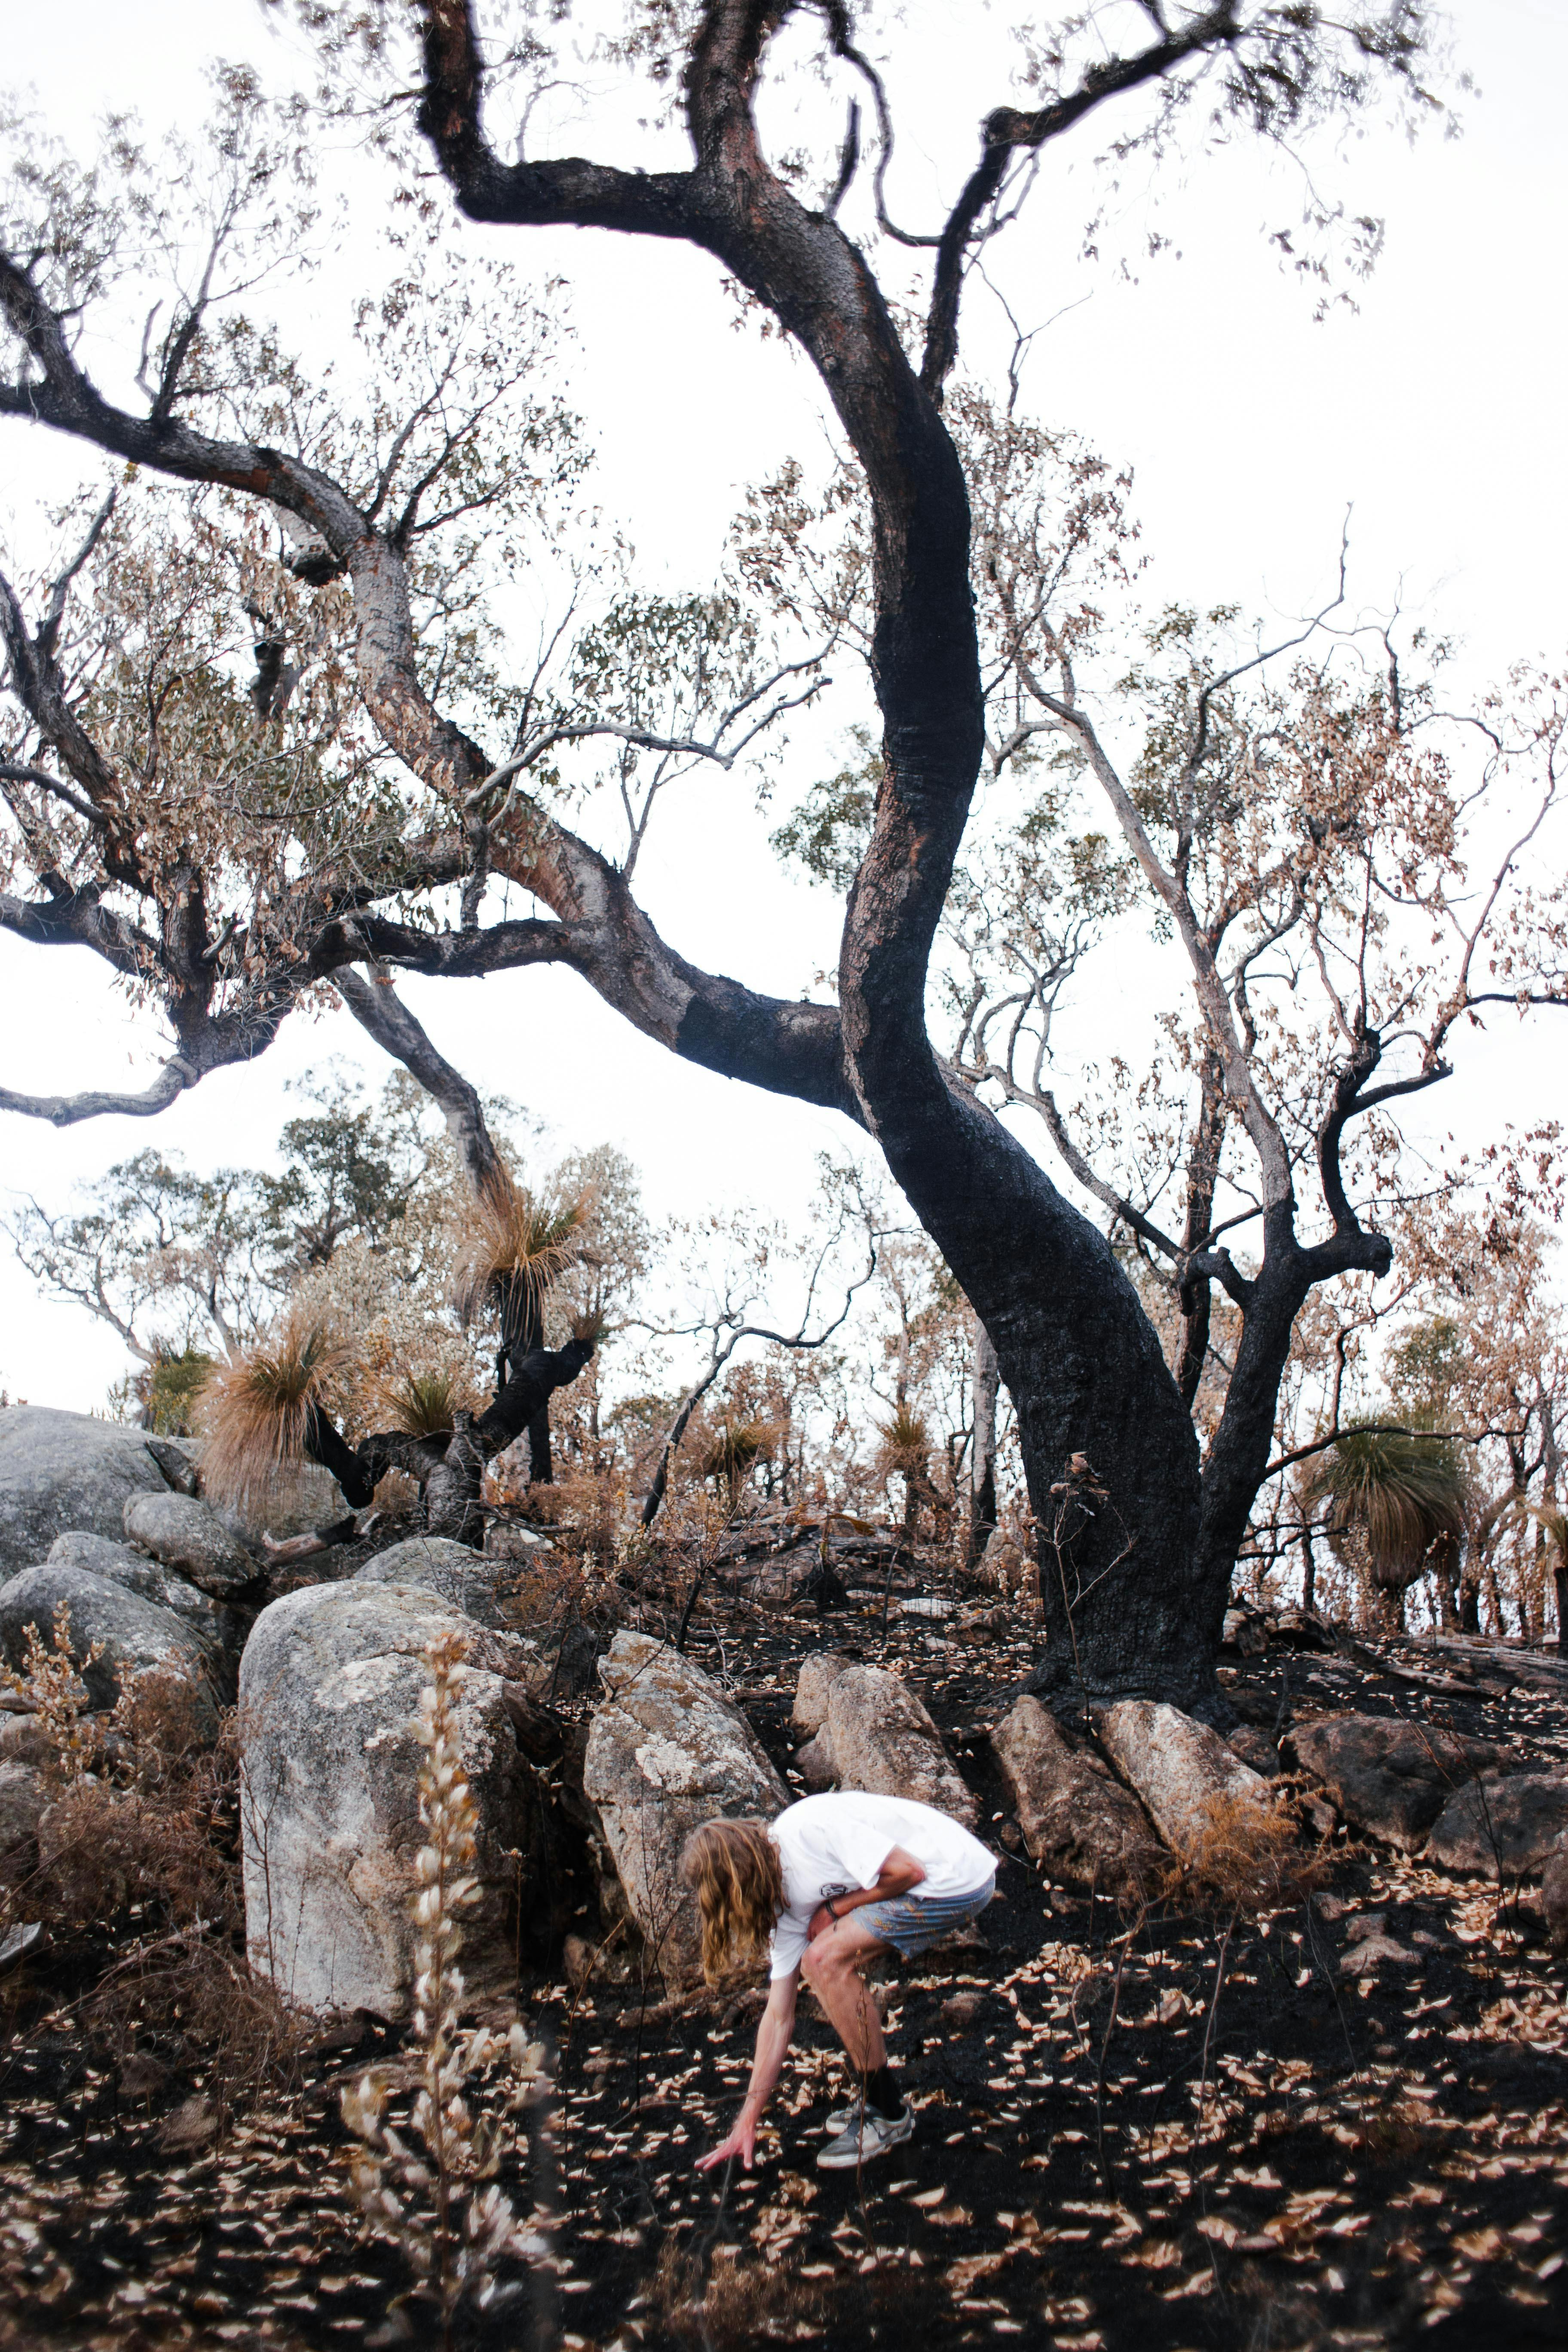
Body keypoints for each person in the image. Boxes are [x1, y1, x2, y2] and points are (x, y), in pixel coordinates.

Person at [684, 1790, 997, 2172]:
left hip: (956, 1877)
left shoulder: (807, 1832)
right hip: (932, 1880)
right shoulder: (781, 1906)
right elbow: (779, 2017)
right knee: (820, 1961)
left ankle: (887, 2113)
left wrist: (835, 1909)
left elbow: (909, 1871)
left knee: (822, 1961)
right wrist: (746, 2120)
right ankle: (879, 2099)